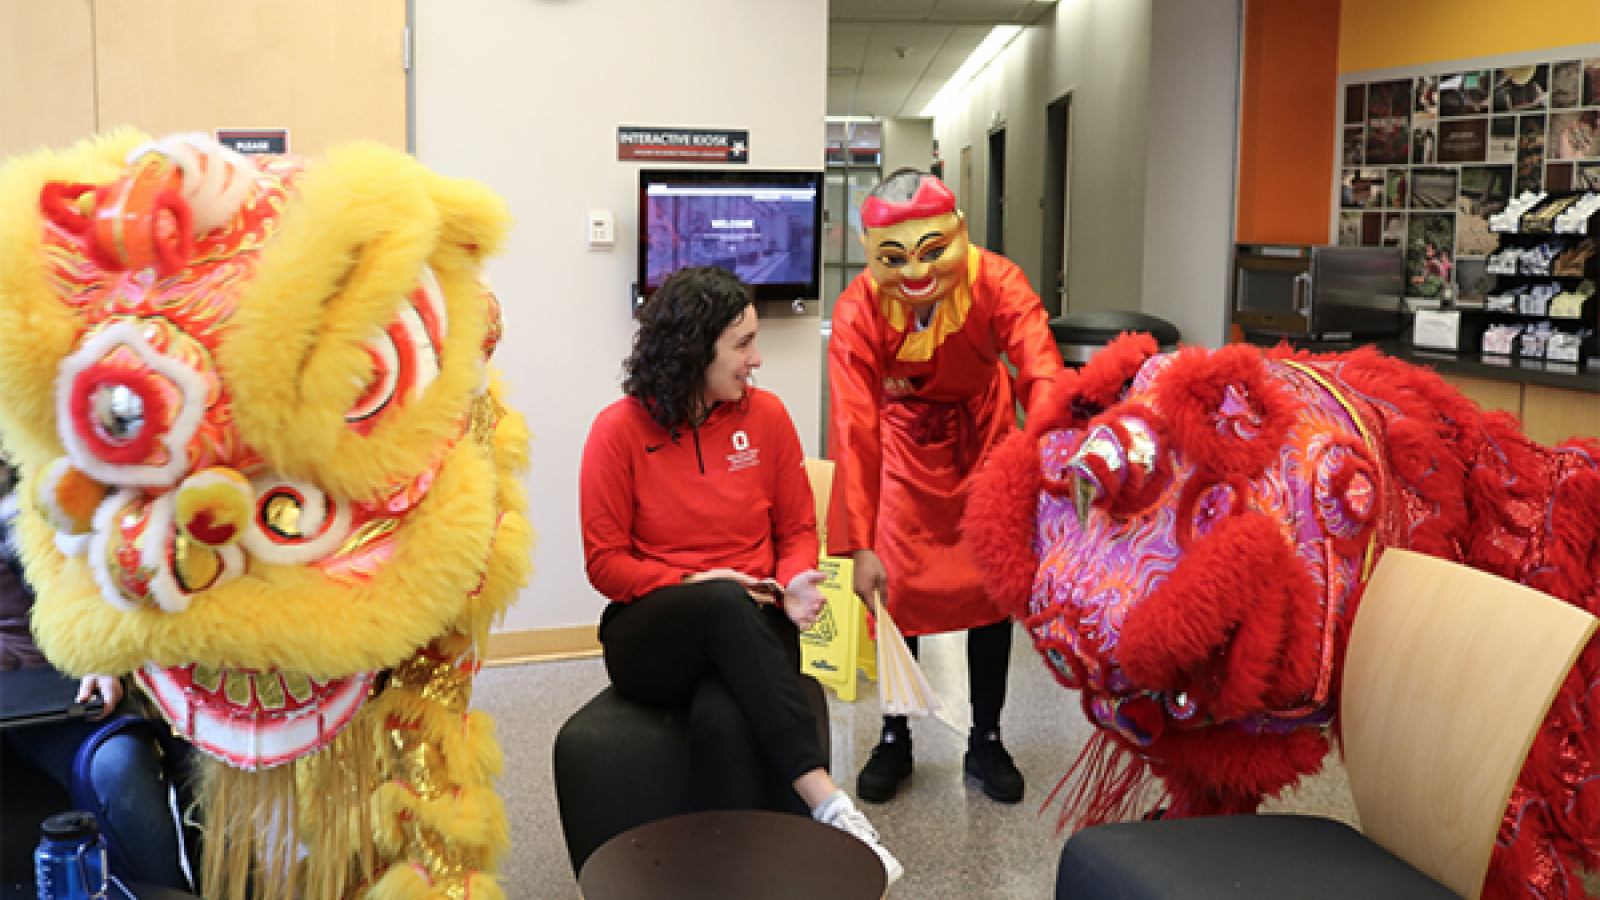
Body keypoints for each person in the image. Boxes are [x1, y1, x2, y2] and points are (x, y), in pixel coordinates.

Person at [579, 265, 903, 884]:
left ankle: (740, 878)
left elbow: (797, 531)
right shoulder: (616, 431)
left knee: (727, 717)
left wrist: (796, 579)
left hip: (756, 618)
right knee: (725, 602)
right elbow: (605, 562)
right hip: (655, 630)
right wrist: (696, 585)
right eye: (743, 343)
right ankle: (829, 804)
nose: (757, 359)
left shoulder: (769, 418)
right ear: (693, 352)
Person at [827, 169, 1064, 804]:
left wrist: (1038, 462)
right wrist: (858, 542)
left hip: (984, 432)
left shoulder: (997, 281)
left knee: (991, 583)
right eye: (896, 258)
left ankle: (986, 738)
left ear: (957, 233)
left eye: (932, 251)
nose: (916, 273)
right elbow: (853, 427)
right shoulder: (858, 309)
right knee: (896, 582)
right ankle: (894, 733)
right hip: (903, 441)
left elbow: (1040, 365)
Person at [0, 481, 192, 890]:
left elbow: (100, 584)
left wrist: (101, 655)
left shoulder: (53, 483)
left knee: (118, 765)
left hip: (65, 686)